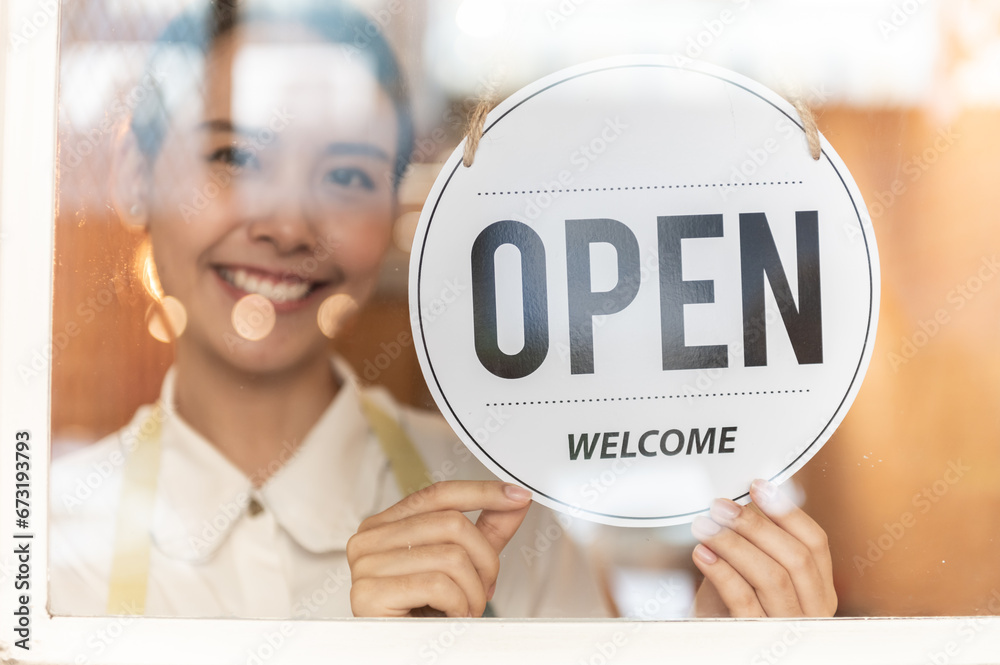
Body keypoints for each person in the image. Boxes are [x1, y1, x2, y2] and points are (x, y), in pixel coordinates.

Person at [49, 0, 835, 620]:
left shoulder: (512, 518)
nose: (286, 225)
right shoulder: (43, 543)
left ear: (394, 215)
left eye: (346, 174)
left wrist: (726, 651)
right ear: (132, 174)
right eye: (235, 158)